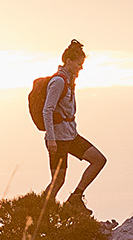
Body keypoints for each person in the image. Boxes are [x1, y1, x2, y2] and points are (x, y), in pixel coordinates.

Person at [42, 39, 106, 210]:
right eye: (79, 63)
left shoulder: (69, 81)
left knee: (99, 160)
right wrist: (51, 139)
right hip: (58, 140)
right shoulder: (58, 82)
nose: (81, 67)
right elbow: (47, 110)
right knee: (58, 182)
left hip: (71, 136)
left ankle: (76, 197)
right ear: (68, 61)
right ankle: (41, 213)